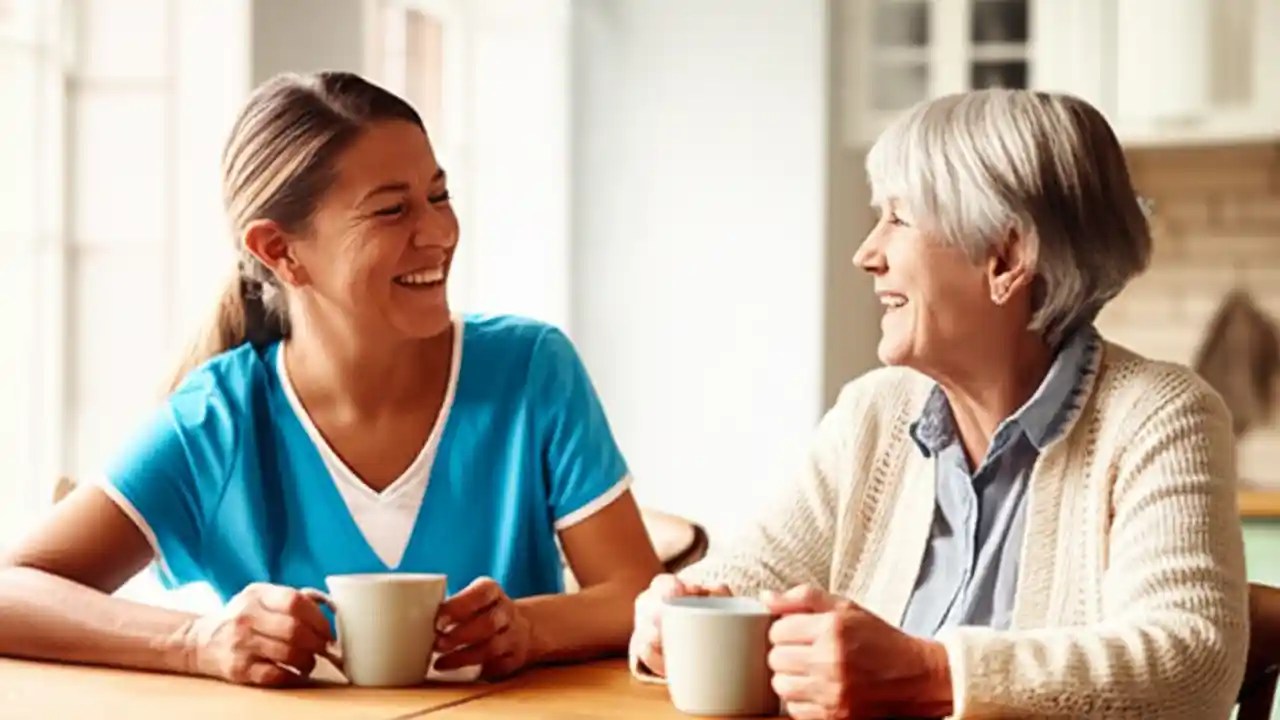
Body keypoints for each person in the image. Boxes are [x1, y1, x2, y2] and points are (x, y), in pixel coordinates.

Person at [0, 71, 661, 686]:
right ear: (280, 251)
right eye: (392, 211)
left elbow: (635, 589)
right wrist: (197, 642)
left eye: (438, 194)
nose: (438, 233)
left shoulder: (530, 370)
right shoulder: (219, 418)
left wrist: (531, 628)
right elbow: (12, 589)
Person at [630, 89, 1249, 719]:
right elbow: (750, 575)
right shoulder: (873, 414)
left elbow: (1189, 663)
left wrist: (927, 673)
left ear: (1005, 257)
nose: (866, 254)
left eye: (898, 219)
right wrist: (679, 609)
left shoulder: (1159, 416)